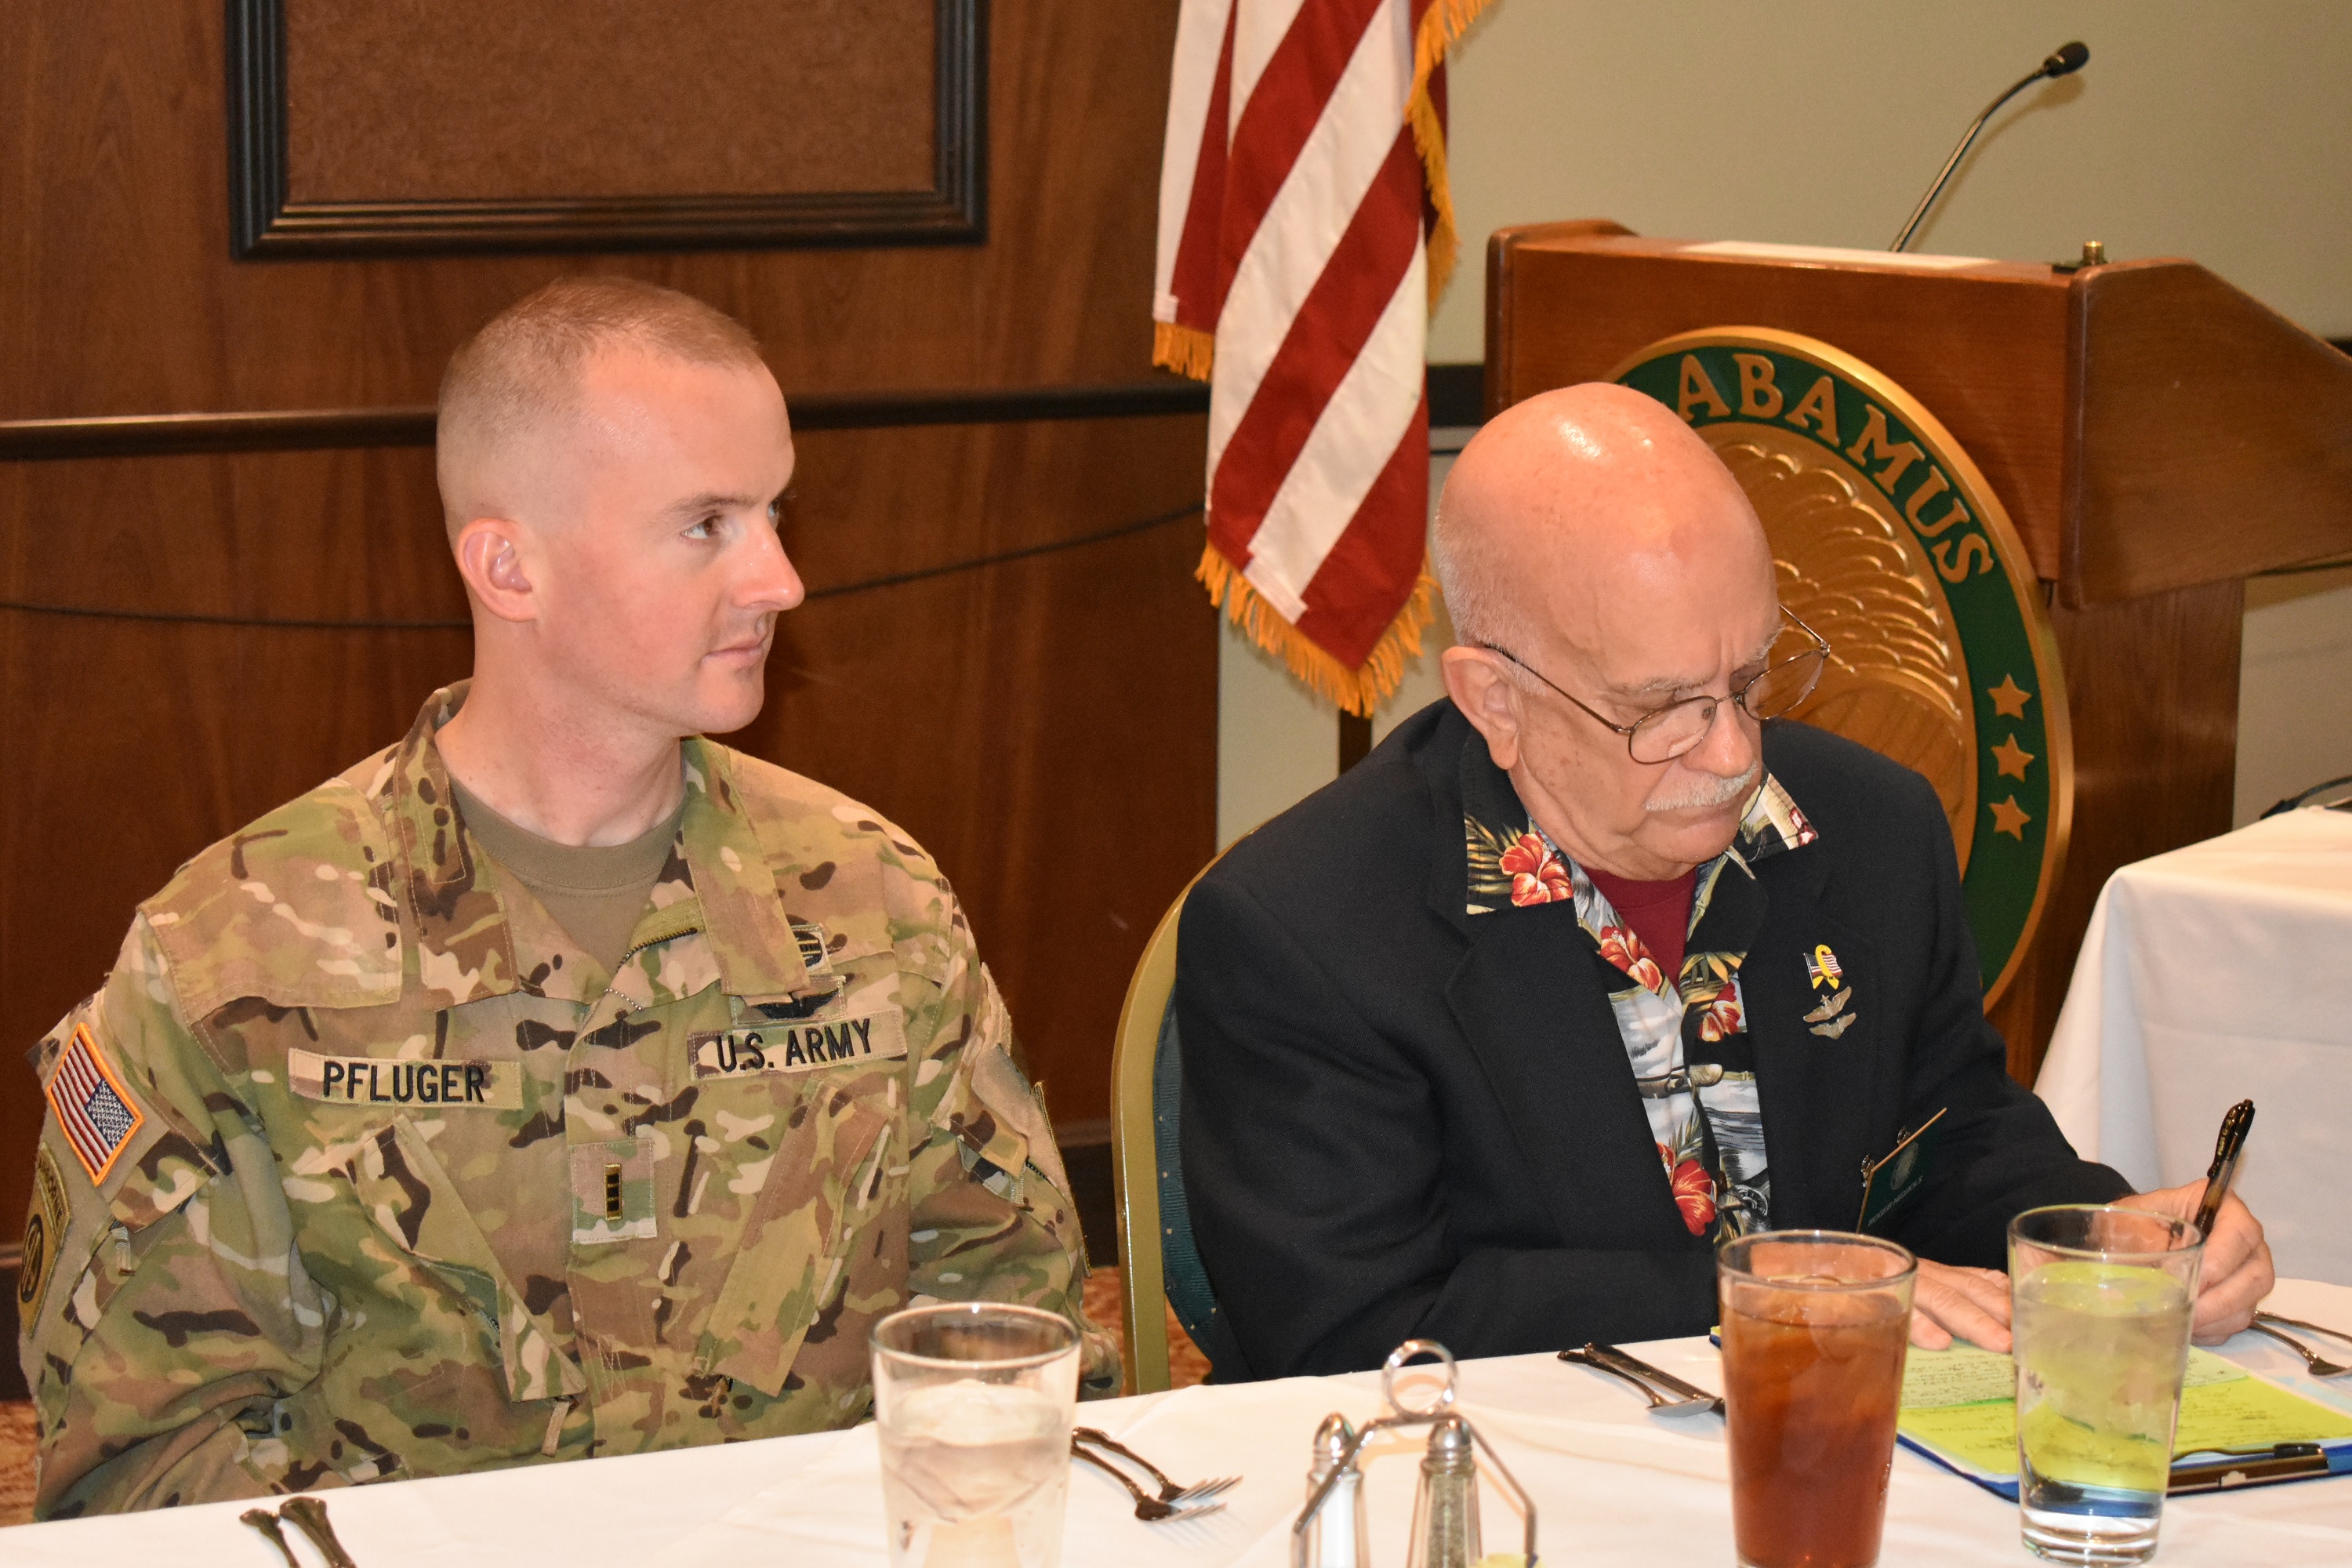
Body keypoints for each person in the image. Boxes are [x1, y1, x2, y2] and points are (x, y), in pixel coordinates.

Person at [16, 278, 1114, 1517]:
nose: (780, 579)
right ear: (508, 565)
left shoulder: (875, 903)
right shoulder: (237, 952)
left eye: (773, 513)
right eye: (707, 524)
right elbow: (148, 1463)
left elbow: (1008, 1341)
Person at [1174, 383, 2271, 1379]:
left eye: (1750, 679)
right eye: (1662, 710)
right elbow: (1349, 1326)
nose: (1735, 755)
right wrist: (1776, 1294)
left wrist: (2104, 1238)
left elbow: (1951, 1137)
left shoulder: (1873, 828)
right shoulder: (1308, 930)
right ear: (1494, 701)